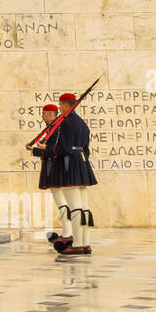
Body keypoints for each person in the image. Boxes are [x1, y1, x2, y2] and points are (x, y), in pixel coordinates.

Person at [52, 91, 99, 256]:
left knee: (75, 207)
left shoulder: (66, 123)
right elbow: (86, 147)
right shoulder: (81, 123)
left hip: (70, 164)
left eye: (60, 105)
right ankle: (85, 244)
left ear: (66, 104)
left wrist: (48, 150)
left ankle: (77, 244)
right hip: (82, 162)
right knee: (84, 207)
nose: (59, 108)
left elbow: (64, 148)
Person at [31, 102, 71, 246]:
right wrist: (34, 150)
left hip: (55, 167)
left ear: (49, 113)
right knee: (62, 203)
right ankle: (68, 233)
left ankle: (68, 234)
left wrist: (36, 150)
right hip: (52, 166)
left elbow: (53, 150)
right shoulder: (52, 129)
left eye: (43, 113)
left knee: (62, 203)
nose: (42, 116)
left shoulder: (56, 129)